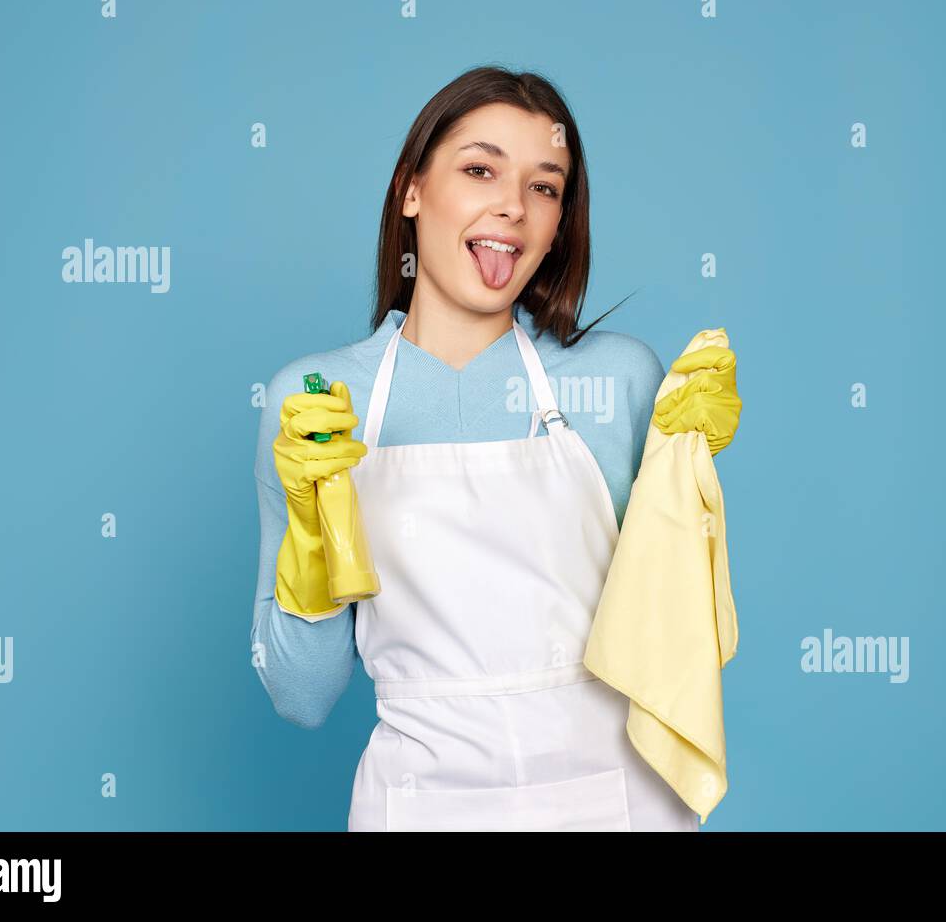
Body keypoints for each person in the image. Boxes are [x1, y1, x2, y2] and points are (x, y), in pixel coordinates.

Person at [251, 65, 741, 831]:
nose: (512, 205)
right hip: (420, 808)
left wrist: (691, 488)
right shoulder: (320, 403)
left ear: (557, 225)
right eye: (480, 169)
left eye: (545, 187)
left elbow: (676, 639)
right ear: (410, 191)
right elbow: (301, 696)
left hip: (617, 803)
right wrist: (311, 548)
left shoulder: (618, 381)